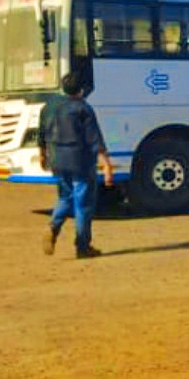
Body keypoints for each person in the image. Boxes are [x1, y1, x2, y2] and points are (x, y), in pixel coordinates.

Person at [38, 72, 113, 259]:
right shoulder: (83, 109)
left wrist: (42, 155)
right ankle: (82, 246)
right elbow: (95, 141)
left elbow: (41, 134)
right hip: (80, 161)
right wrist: (107, 167)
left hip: (57, 160)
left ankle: (53, 228)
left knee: (65, 197)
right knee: (83, 204)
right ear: (81, 90)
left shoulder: (49, 106)